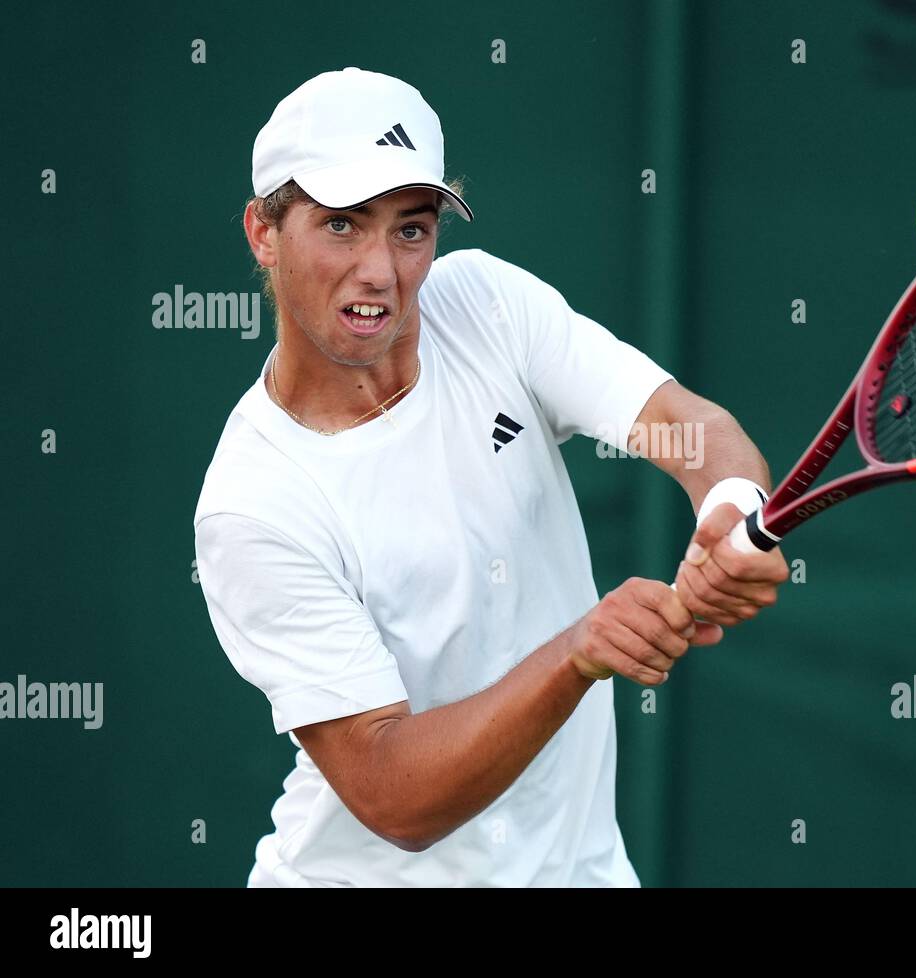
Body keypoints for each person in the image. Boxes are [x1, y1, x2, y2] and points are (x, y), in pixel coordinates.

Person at [194, 66, 788, 887]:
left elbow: (689, 427)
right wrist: (579, 651)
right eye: (341, 225)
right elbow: (394, 795)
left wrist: (731, 505)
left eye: (411, 229)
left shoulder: (487, 304)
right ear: (264, 232)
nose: (380, 271)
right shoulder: (252, 505)